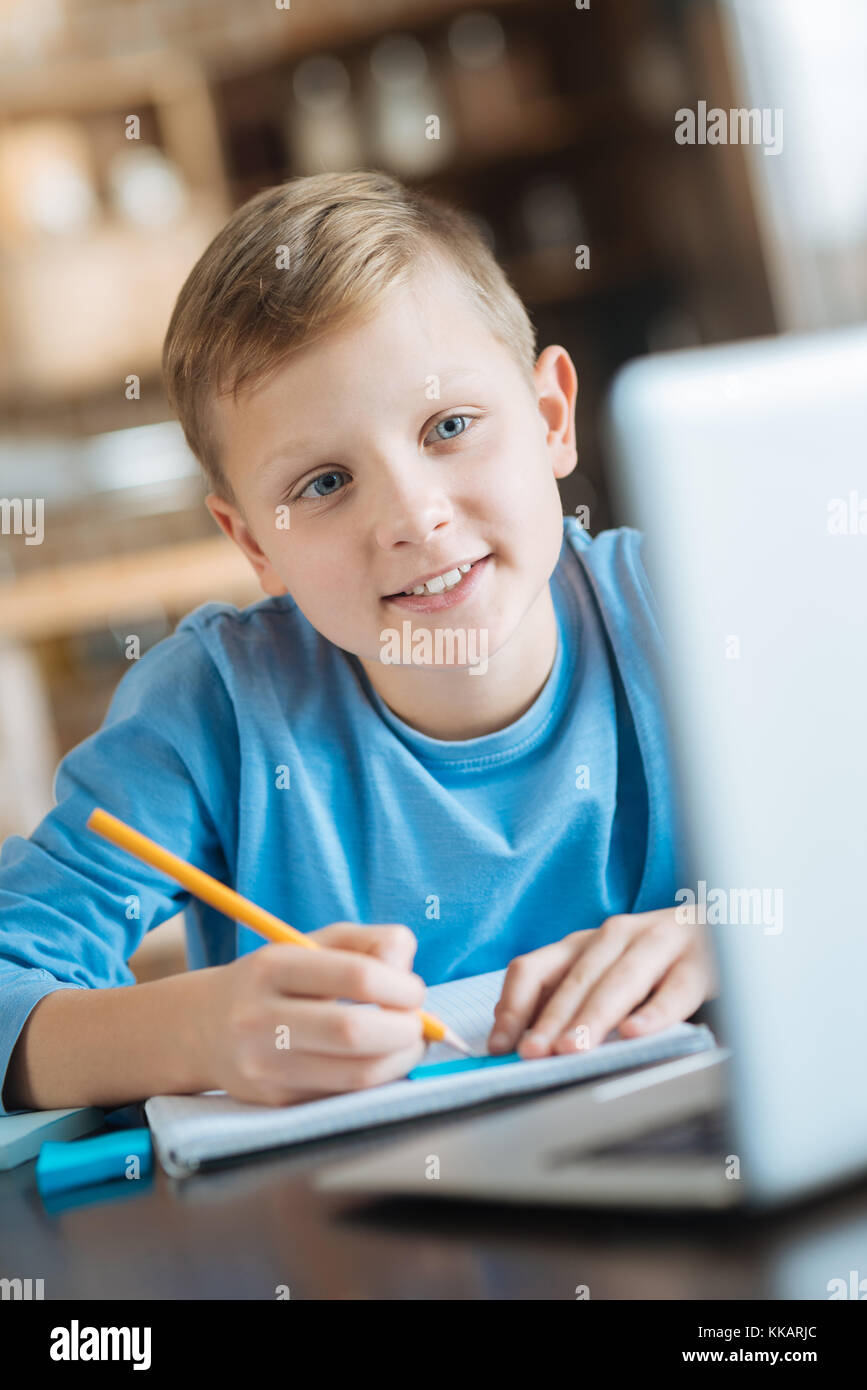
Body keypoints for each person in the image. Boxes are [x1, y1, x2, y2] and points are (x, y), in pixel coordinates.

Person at [0, 170, 714, 1115]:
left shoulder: (698, 610)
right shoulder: (212, 713)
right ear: (255, 543)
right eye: (325, 483)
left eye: (449, 427)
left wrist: (731, 934)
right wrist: (197, 1030)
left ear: (549, 419)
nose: (413, 519)